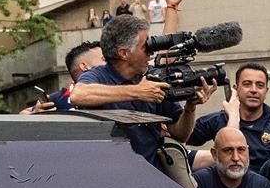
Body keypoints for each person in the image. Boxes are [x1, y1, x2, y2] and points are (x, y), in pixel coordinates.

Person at [69, 12, 198, 166]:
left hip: (153, 174)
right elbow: (78, 94)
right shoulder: (98, 76)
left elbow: (180, 134)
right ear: (124, 53)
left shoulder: (153, 78)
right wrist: (137, 92)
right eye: (145, 47)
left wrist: (190, 107)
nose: (150, 53)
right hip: (111, 173)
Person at [188, 61, 270, 167]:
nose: (253, 90)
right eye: (247, 84)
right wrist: (190, 105)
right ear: (235, 88)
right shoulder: (218, 120)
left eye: (260, 85)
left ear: (266, 91)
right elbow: (181, 137)